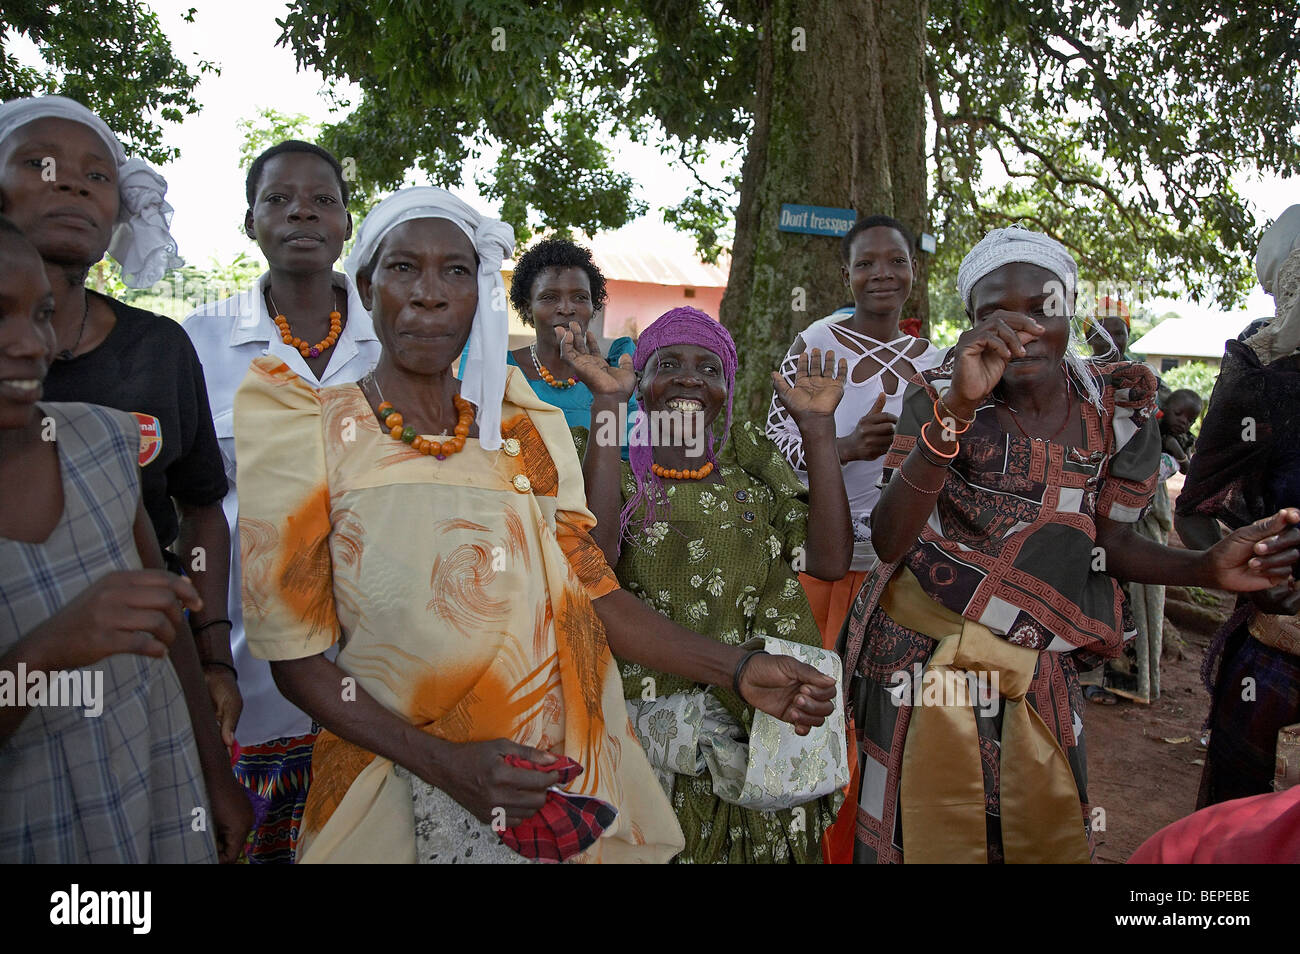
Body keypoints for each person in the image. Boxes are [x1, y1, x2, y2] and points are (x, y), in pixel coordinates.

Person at [232, 187, 836, 863]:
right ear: (367, 285)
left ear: (479, 292)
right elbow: (295, 659)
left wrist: (739, 666)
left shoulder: (525, 430)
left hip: (555, 783)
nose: (430, 294)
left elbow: (595, 595)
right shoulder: (306, 429)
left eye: (456, 272)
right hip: (390, 783)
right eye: (404, 268)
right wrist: (445, 764)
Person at [838, 225, 1300, 864]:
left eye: (1042, 308)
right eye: (993, 311)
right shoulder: (937, 398)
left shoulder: (1115, 413)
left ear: (1070, 312)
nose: (1021, 328)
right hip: (920, 662)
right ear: (969, 321)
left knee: (1033, 823)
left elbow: (1105, 543)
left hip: (1036, 664)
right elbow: (891, 539)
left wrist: (1206, 568)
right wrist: (956, 411)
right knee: (914, 831)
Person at [0, 217, 251, 862]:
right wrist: (49, 650)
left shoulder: (102, 442)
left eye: (44, 314)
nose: (32, 343)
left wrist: (214, 776)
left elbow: (168, 628)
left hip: (152, 782)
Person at [564, 306, 851, 863]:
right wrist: (606, 402)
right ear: (641, 383)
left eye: (708, 368)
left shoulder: (753, 478)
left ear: (726, 389)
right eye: (667, 363)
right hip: (648, 740)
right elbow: (592, 565)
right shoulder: (608, 469)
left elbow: (830, 559)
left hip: (757, 737)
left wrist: (818, 429)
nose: (690, 378)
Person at [0, 96, 239, 747]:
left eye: (97, 174)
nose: (73, 182)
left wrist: (214, 659)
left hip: (147, 685)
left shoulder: (156, 351)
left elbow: (200, 512)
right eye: (40, 164)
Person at [183, 140, 380, 863]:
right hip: (249, 662)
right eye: (278, 198)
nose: (301, 210)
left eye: (322, 199)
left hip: (381, 658)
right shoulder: (197, 343)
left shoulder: (398, 336)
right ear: (249, 222)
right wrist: (209, 657)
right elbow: (190, 509)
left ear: (345, 222)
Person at [766, 214, 942, 862]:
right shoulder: (818, 343)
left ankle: (871, 841)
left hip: (901, 574)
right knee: (814, 714)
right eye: (866, 263)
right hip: (827, 564)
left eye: (894, 261)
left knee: (884, 723)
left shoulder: (935, 361)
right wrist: (841, 446)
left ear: (912, 272)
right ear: (846, 274)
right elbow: (775, 446)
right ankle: (805, 838)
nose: (881, 275)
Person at [1175, 204, 1300, 809]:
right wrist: (1244, 576)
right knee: (1248, 831)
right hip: (1281, 662)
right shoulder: (1268, 383)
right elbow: (1196, 509)